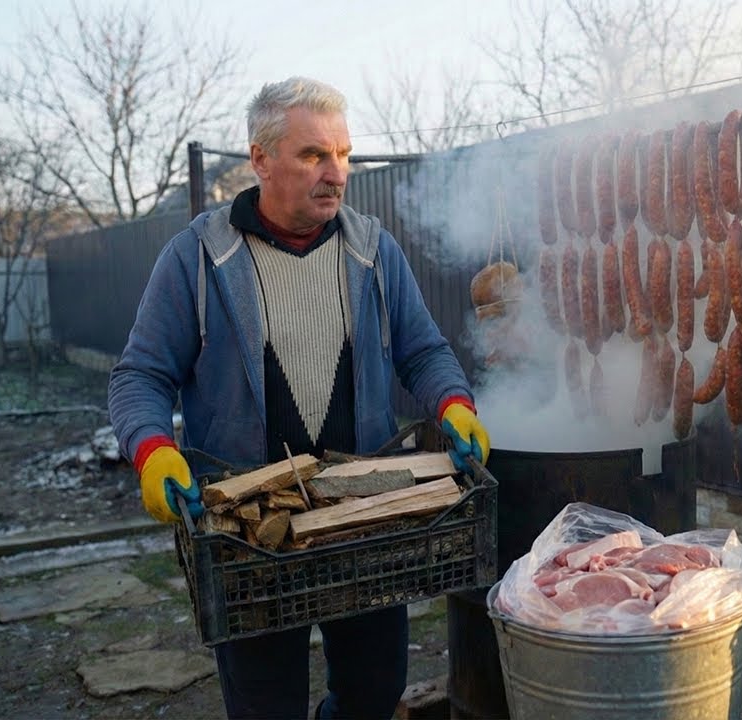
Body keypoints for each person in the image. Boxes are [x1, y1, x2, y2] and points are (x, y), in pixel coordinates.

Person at [108, 76, 490, 719]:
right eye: (313, 155)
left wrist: (453, 402)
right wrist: (152, 450)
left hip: (363, 522)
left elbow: (423, 351)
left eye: (342, 153)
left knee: (375, 691)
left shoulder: (373, 251)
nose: (336, 173)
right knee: (265, 707)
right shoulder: (198, 258)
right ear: (259, 160)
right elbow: (140, 375)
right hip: (252, 533)